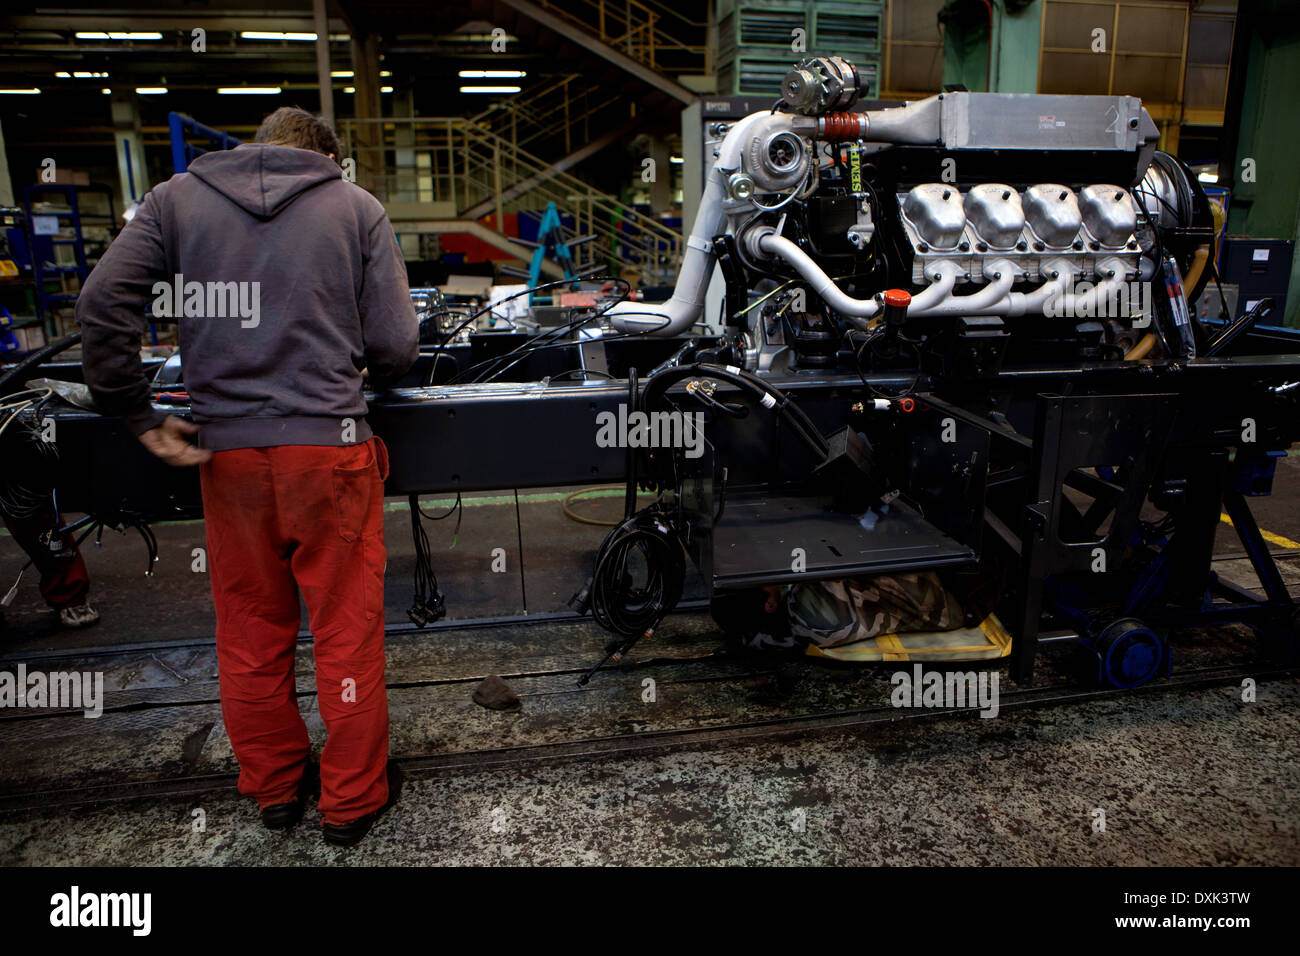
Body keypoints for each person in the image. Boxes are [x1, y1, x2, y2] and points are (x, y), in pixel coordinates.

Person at [76, 106, 418, 846]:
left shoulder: (174, 199)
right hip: (330, 453)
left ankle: (275, 790)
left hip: (224, 457)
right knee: (345, 631)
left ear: (259, 149)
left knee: (251, 630)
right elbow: (395, 343)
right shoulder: (356, 206)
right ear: (324, 157)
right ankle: (351, 801)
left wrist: (135, 413)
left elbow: (102, 303)